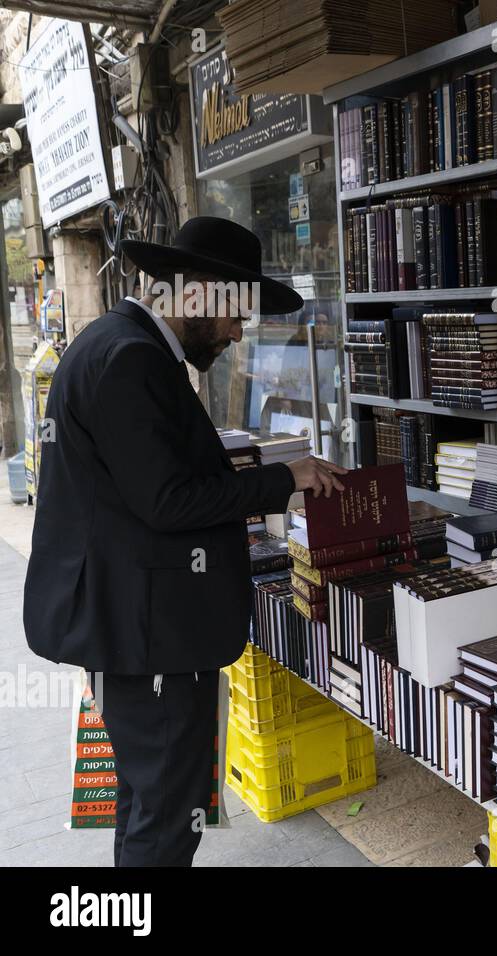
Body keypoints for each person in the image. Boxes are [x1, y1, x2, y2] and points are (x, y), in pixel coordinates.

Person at [23, 217, 347, 867]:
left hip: (139, 625)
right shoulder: (130, 359)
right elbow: (168, 501)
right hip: (148, 638)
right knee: (168, 815)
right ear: (200, 291)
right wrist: (284, 479)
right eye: (237, 314)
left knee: (148, 802)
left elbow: (150, 482)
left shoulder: (122, 344)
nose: (237, 331)